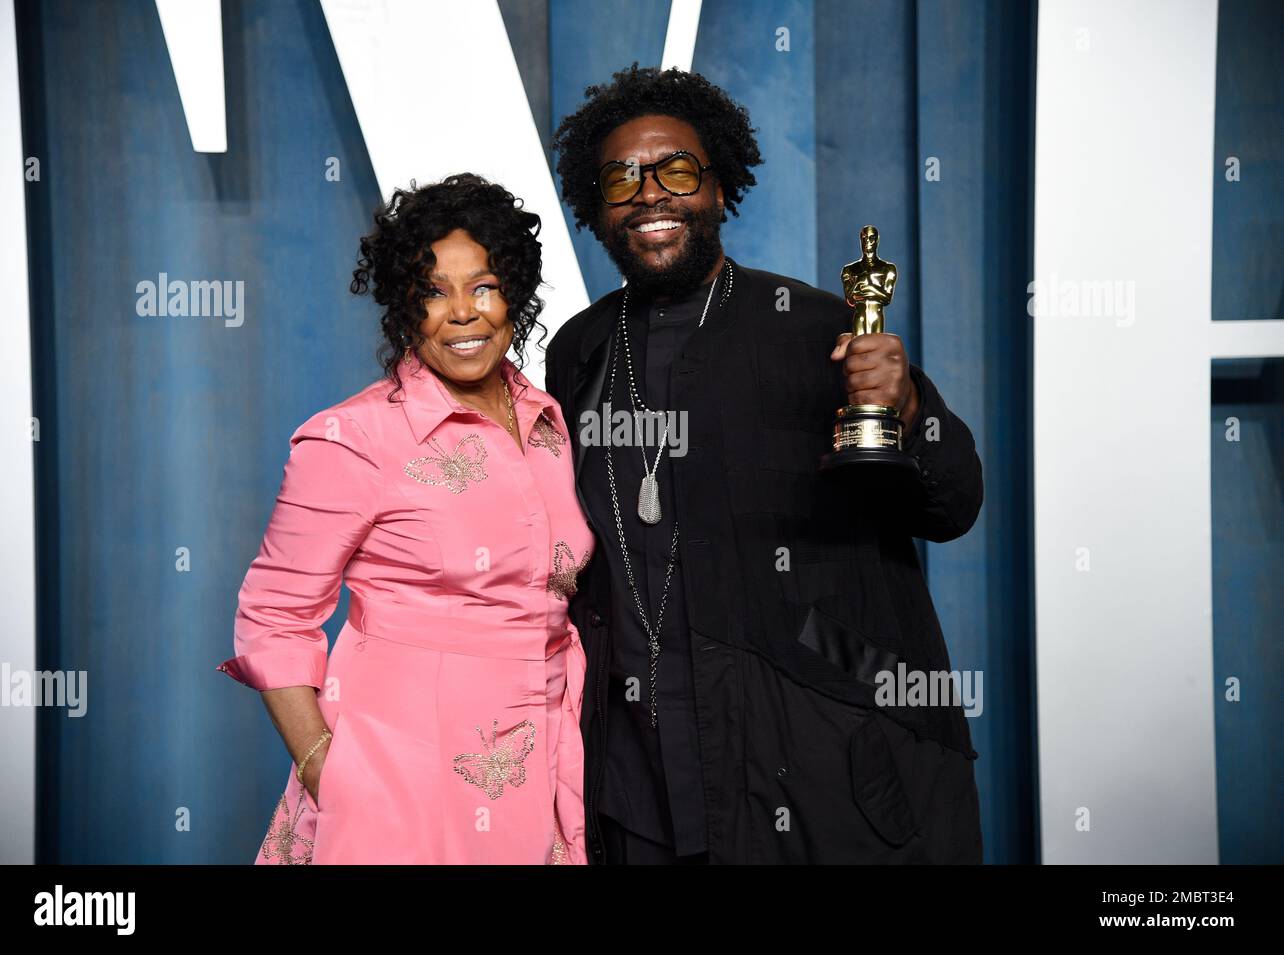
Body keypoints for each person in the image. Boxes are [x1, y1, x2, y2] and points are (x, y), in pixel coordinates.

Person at [547, 64, 984, 864]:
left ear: (719, 189)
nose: (649, 194)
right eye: (621, 177)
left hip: (817, 758)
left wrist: (912, 407)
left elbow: (953, 505)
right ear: (594, 205)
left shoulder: (818, 328)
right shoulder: (578, 351)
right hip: (636, 772)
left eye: (676, 170)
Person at [217, 173, 590, 864]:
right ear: (402, 307)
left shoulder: (550, 421)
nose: (463, 314)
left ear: (514, 291)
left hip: (544, 761)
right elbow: (271, 613)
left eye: (482, 286)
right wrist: (326, 764)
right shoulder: (353, 438)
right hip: (401, 776)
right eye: (432, 292)